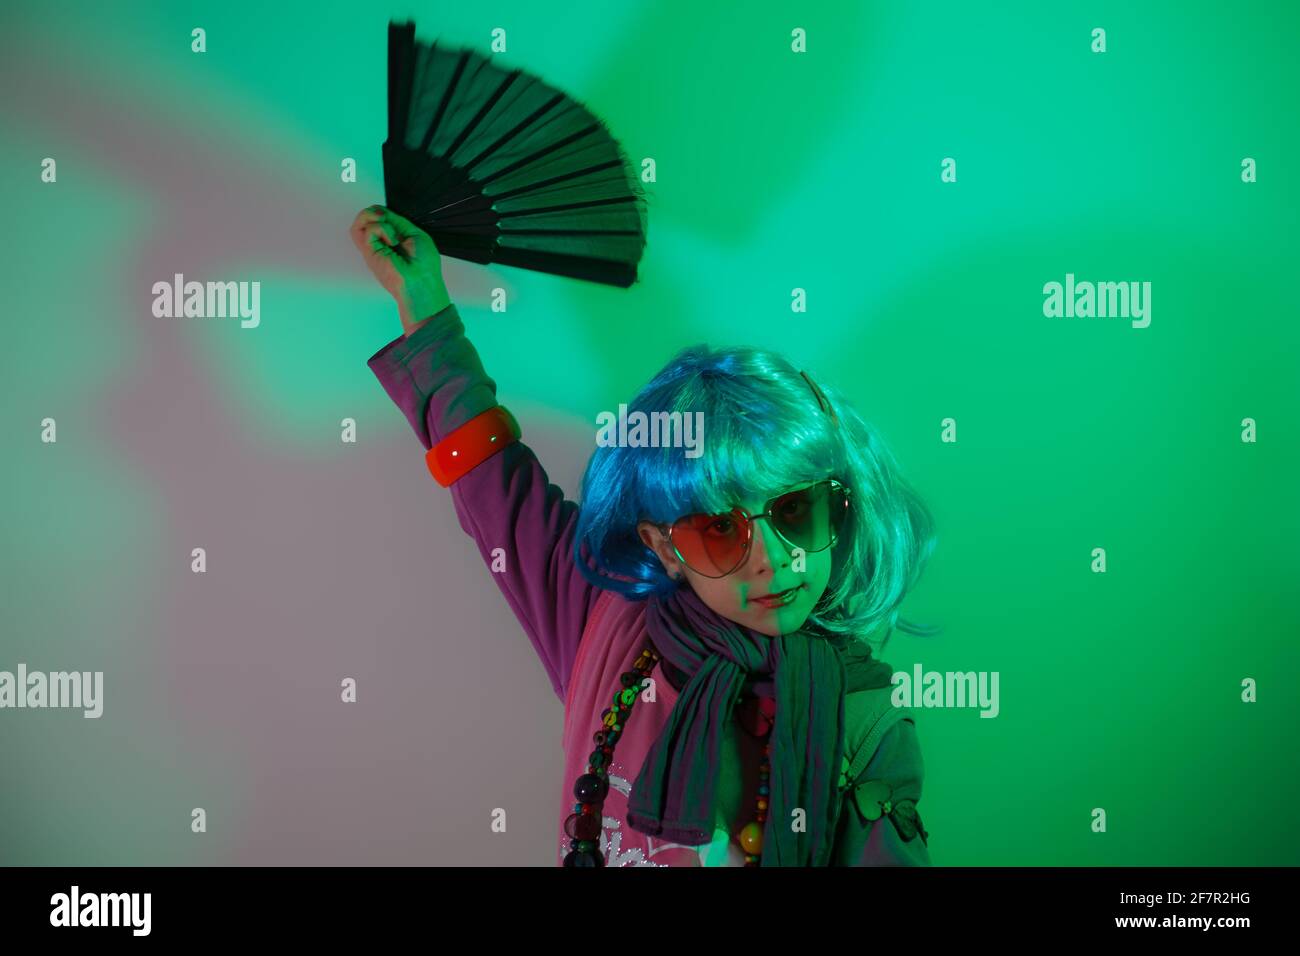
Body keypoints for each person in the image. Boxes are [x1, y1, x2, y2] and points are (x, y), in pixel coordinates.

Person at [350, 204, 939, 866]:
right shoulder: (605, 622)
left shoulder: (860, 727)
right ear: (664, 547)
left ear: (840, 509)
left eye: (797, 511)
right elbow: (491, 482)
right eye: (721, 530)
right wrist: (423, 301)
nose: (774, 561)